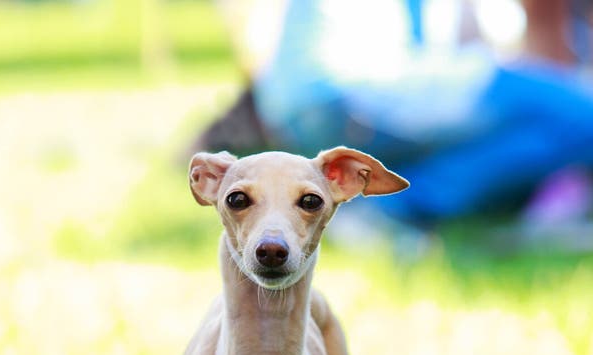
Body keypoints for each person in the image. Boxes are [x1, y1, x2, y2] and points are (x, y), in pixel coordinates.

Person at [195, 0, 593, 229]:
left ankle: (382, 210)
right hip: (361, 86)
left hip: (297, 108)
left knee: (547, 136)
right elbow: (468, 47)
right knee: (579, 112)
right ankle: (405, 204)